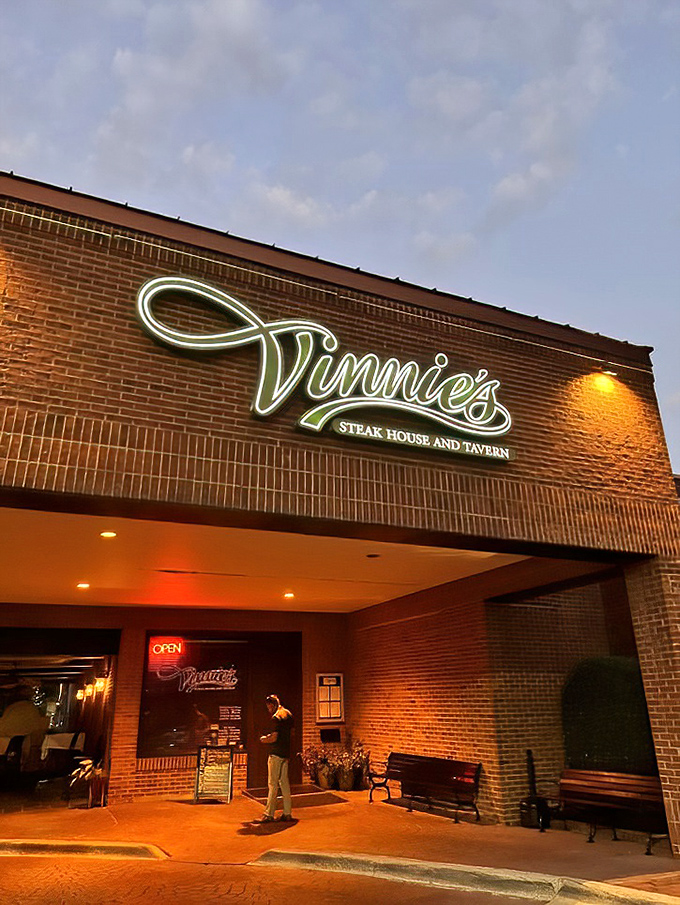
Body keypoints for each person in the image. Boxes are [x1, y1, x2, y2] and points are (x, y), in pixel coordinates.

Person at [258, 694, 294, 822]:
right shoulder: (288, 714)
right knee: (284, 783)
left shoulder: (276, 717)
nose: (268, 710)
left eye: (268, 707)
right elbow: (290, 734)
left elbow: (274, 737)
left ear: (272, 705)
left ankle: (269, 814)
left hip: (276, 754)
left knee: (272, 784)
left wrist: (263, 740)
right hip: (286, 753)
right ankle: (287, 813)